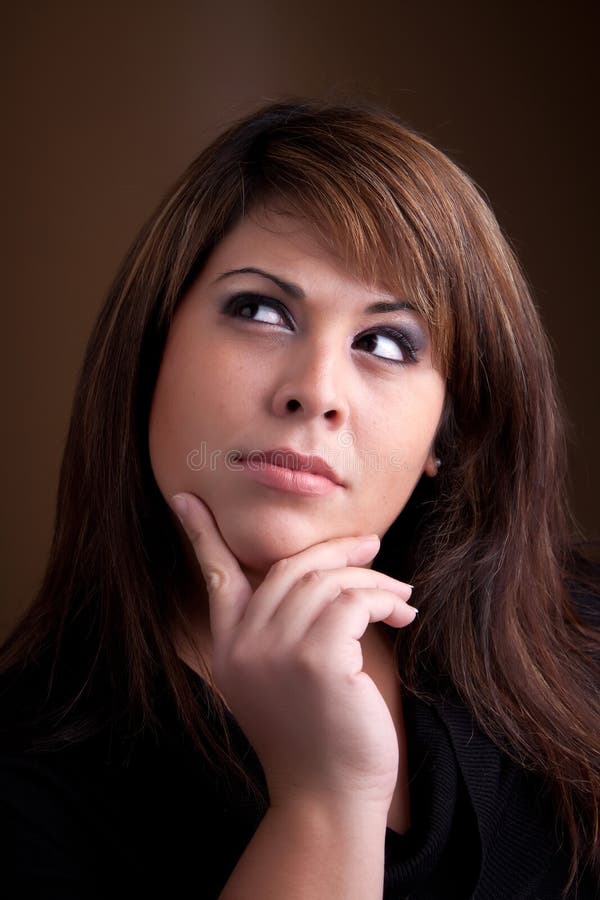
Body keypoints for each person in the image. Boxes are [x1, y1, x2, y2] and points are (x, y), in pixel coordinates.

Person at [1, 98, 598, 899]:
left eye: (385, 343)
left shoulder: (583, 647)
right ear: (152, 353)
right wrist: (324, 806)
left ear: (447, 437)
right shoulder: (26, 777)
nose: (316, 392)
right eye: (260, 310)